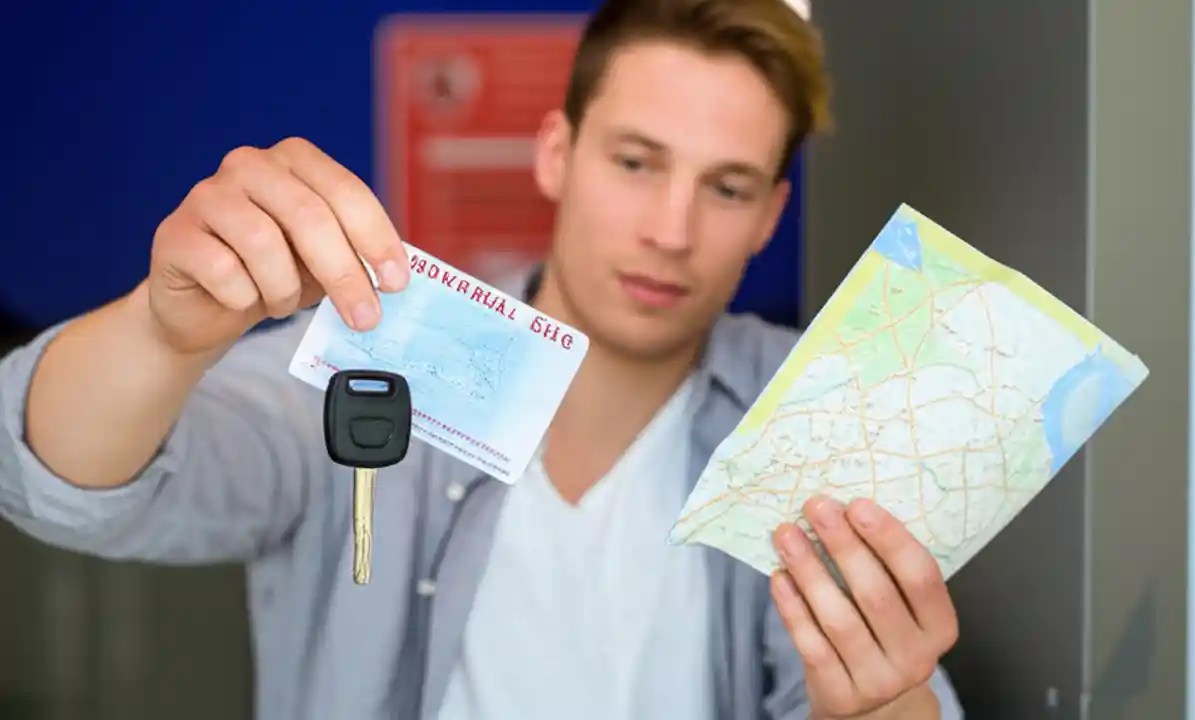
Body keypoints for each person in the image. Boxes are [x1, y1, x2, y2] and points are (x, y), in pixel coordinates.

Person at [0, 0, 965, 718]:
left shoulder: (816, 407)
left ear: (770, 216)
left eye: (728, 186)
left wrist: (889, 703)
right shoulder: (390, 348)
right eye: (636, 162)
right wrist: (161, 335)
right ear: (557, 153)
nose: (671, 230)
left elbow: (880, 692)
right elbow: (66, 483)